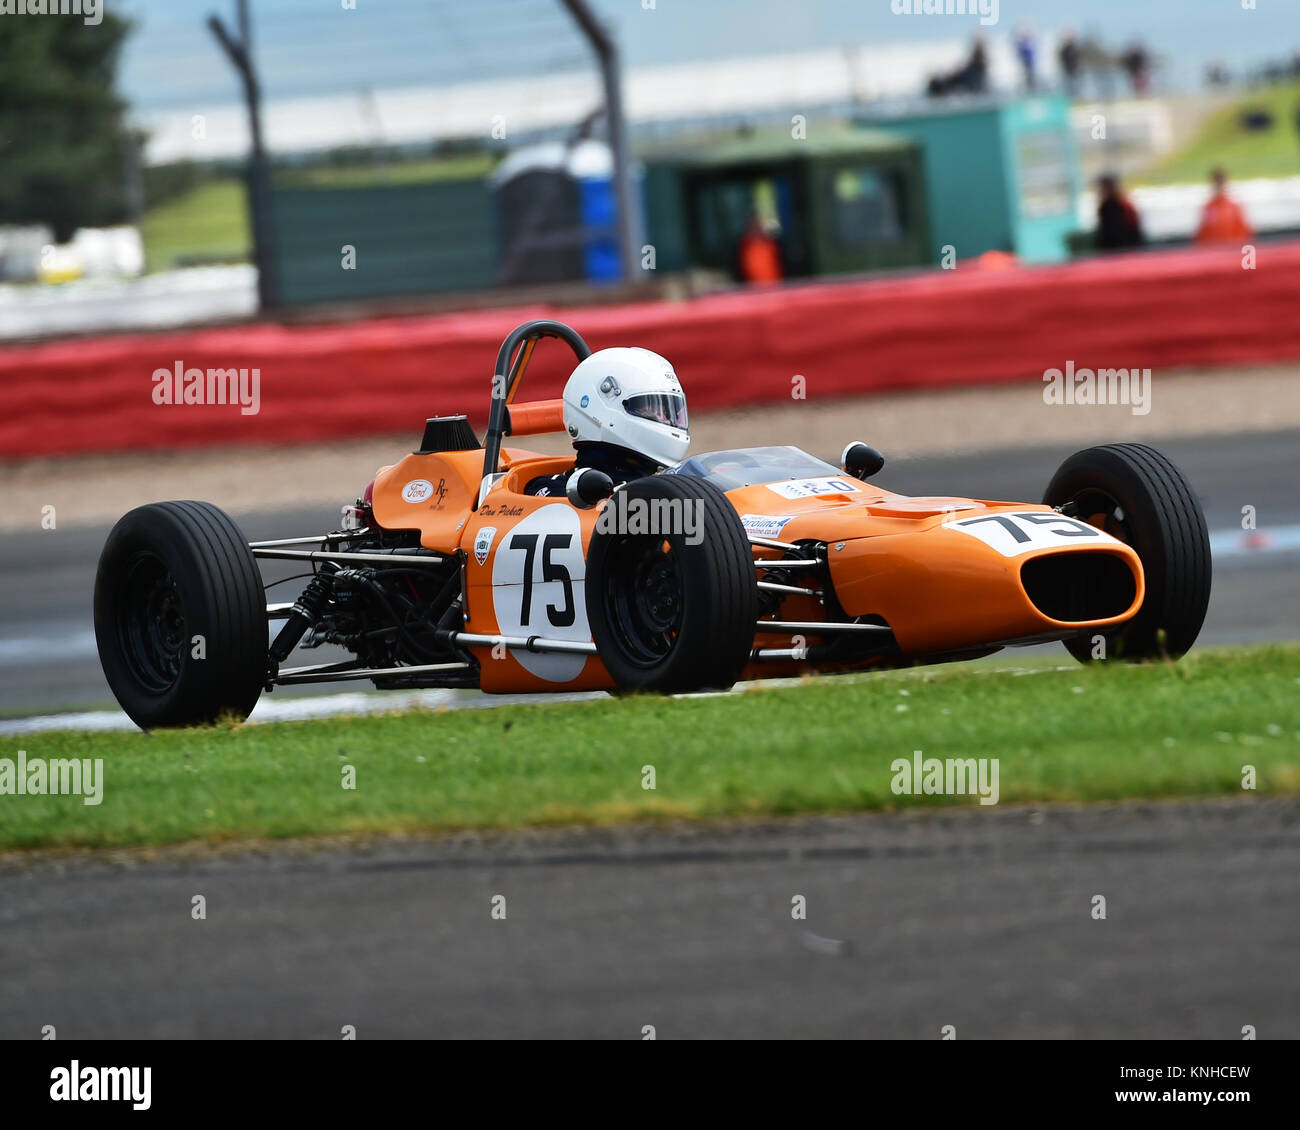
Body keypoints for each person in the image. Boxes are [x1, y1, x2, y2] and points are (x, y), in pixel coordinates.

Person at [524, 347, 690, 497]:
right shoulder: (554, 490)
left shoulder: (671, 486)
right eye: (653, 409)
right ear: (599, 407)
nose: (666, 420)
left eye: (670, 413)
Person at [1196, 168, 1254, 244]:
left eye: (1221, 182)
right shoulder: (1208, 208)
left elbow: (1245, 235)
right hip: (1214, 252)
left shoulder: (1234, 207)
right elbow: (1201, 237)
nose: (1219, 185)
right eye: (1217, 182)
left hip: (1232, 251)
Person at [1095, 174, 1144, 251]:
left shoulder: (1113, 205)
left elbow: (1114, 232)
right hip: (1123, 246)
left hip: (1122, 247)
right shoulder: (1116, 203)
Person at [737, 211, 783, 283]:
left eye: (758, 223)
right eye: (753, 224)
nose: (756, 226)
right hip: (755, 290)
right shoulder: (743, 246)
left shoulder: (772, 243)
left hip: (777, 286)